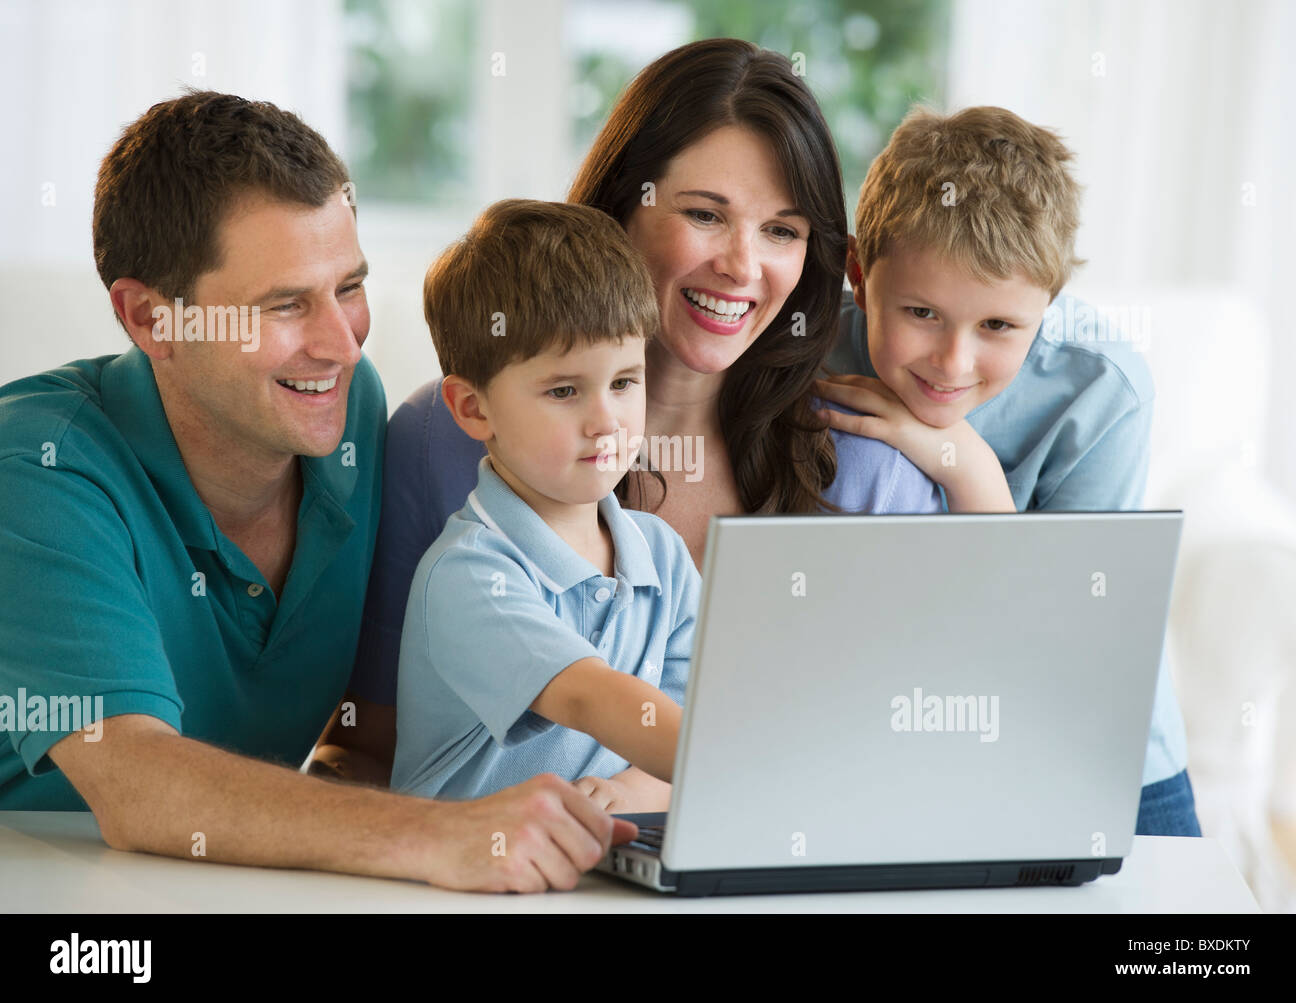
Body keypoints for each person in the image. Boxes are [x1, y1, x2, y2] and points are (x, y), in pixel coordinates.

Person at [0, 91, 634, 893]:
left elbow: (360, 733)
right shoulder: (39, 462)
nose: (342, 343)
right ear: (153, 318)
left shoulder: (350, 414)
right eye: (286, 304)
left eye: (350, 286)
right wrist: (442, 834)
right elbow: (135, 780)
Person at [316, 38, 943, 789]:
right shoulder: (440, 455)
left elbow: (905, 747)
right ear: (623, 207)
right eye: (706, 214)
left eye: (783, 229)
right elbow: (363, 746)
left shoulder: (863, 470)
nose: (743, 266)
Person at [815, 105, 1201, 836]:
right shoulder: (812, 355)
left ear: (1047, 309)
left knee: (1184, 946)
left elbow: (1060, 637)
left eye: (997, 326)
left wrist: (961, 461)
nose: (952, 362)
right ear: (859, 274)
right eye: (922, 312)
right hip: (903, 745)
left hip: (1104, 755)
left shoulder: (1102, 389)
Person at [391, 200, 698, 808]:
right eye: (564, 390)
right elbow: (587, 695)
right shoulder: (470, 572)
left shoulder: (660, 553)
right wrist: (751, 763)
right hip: (458, 886)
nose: (605, 421)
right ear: (474, 409)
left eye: (624, 381)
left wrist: (621, 793)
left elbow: (685, 722)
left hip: (591, 873)